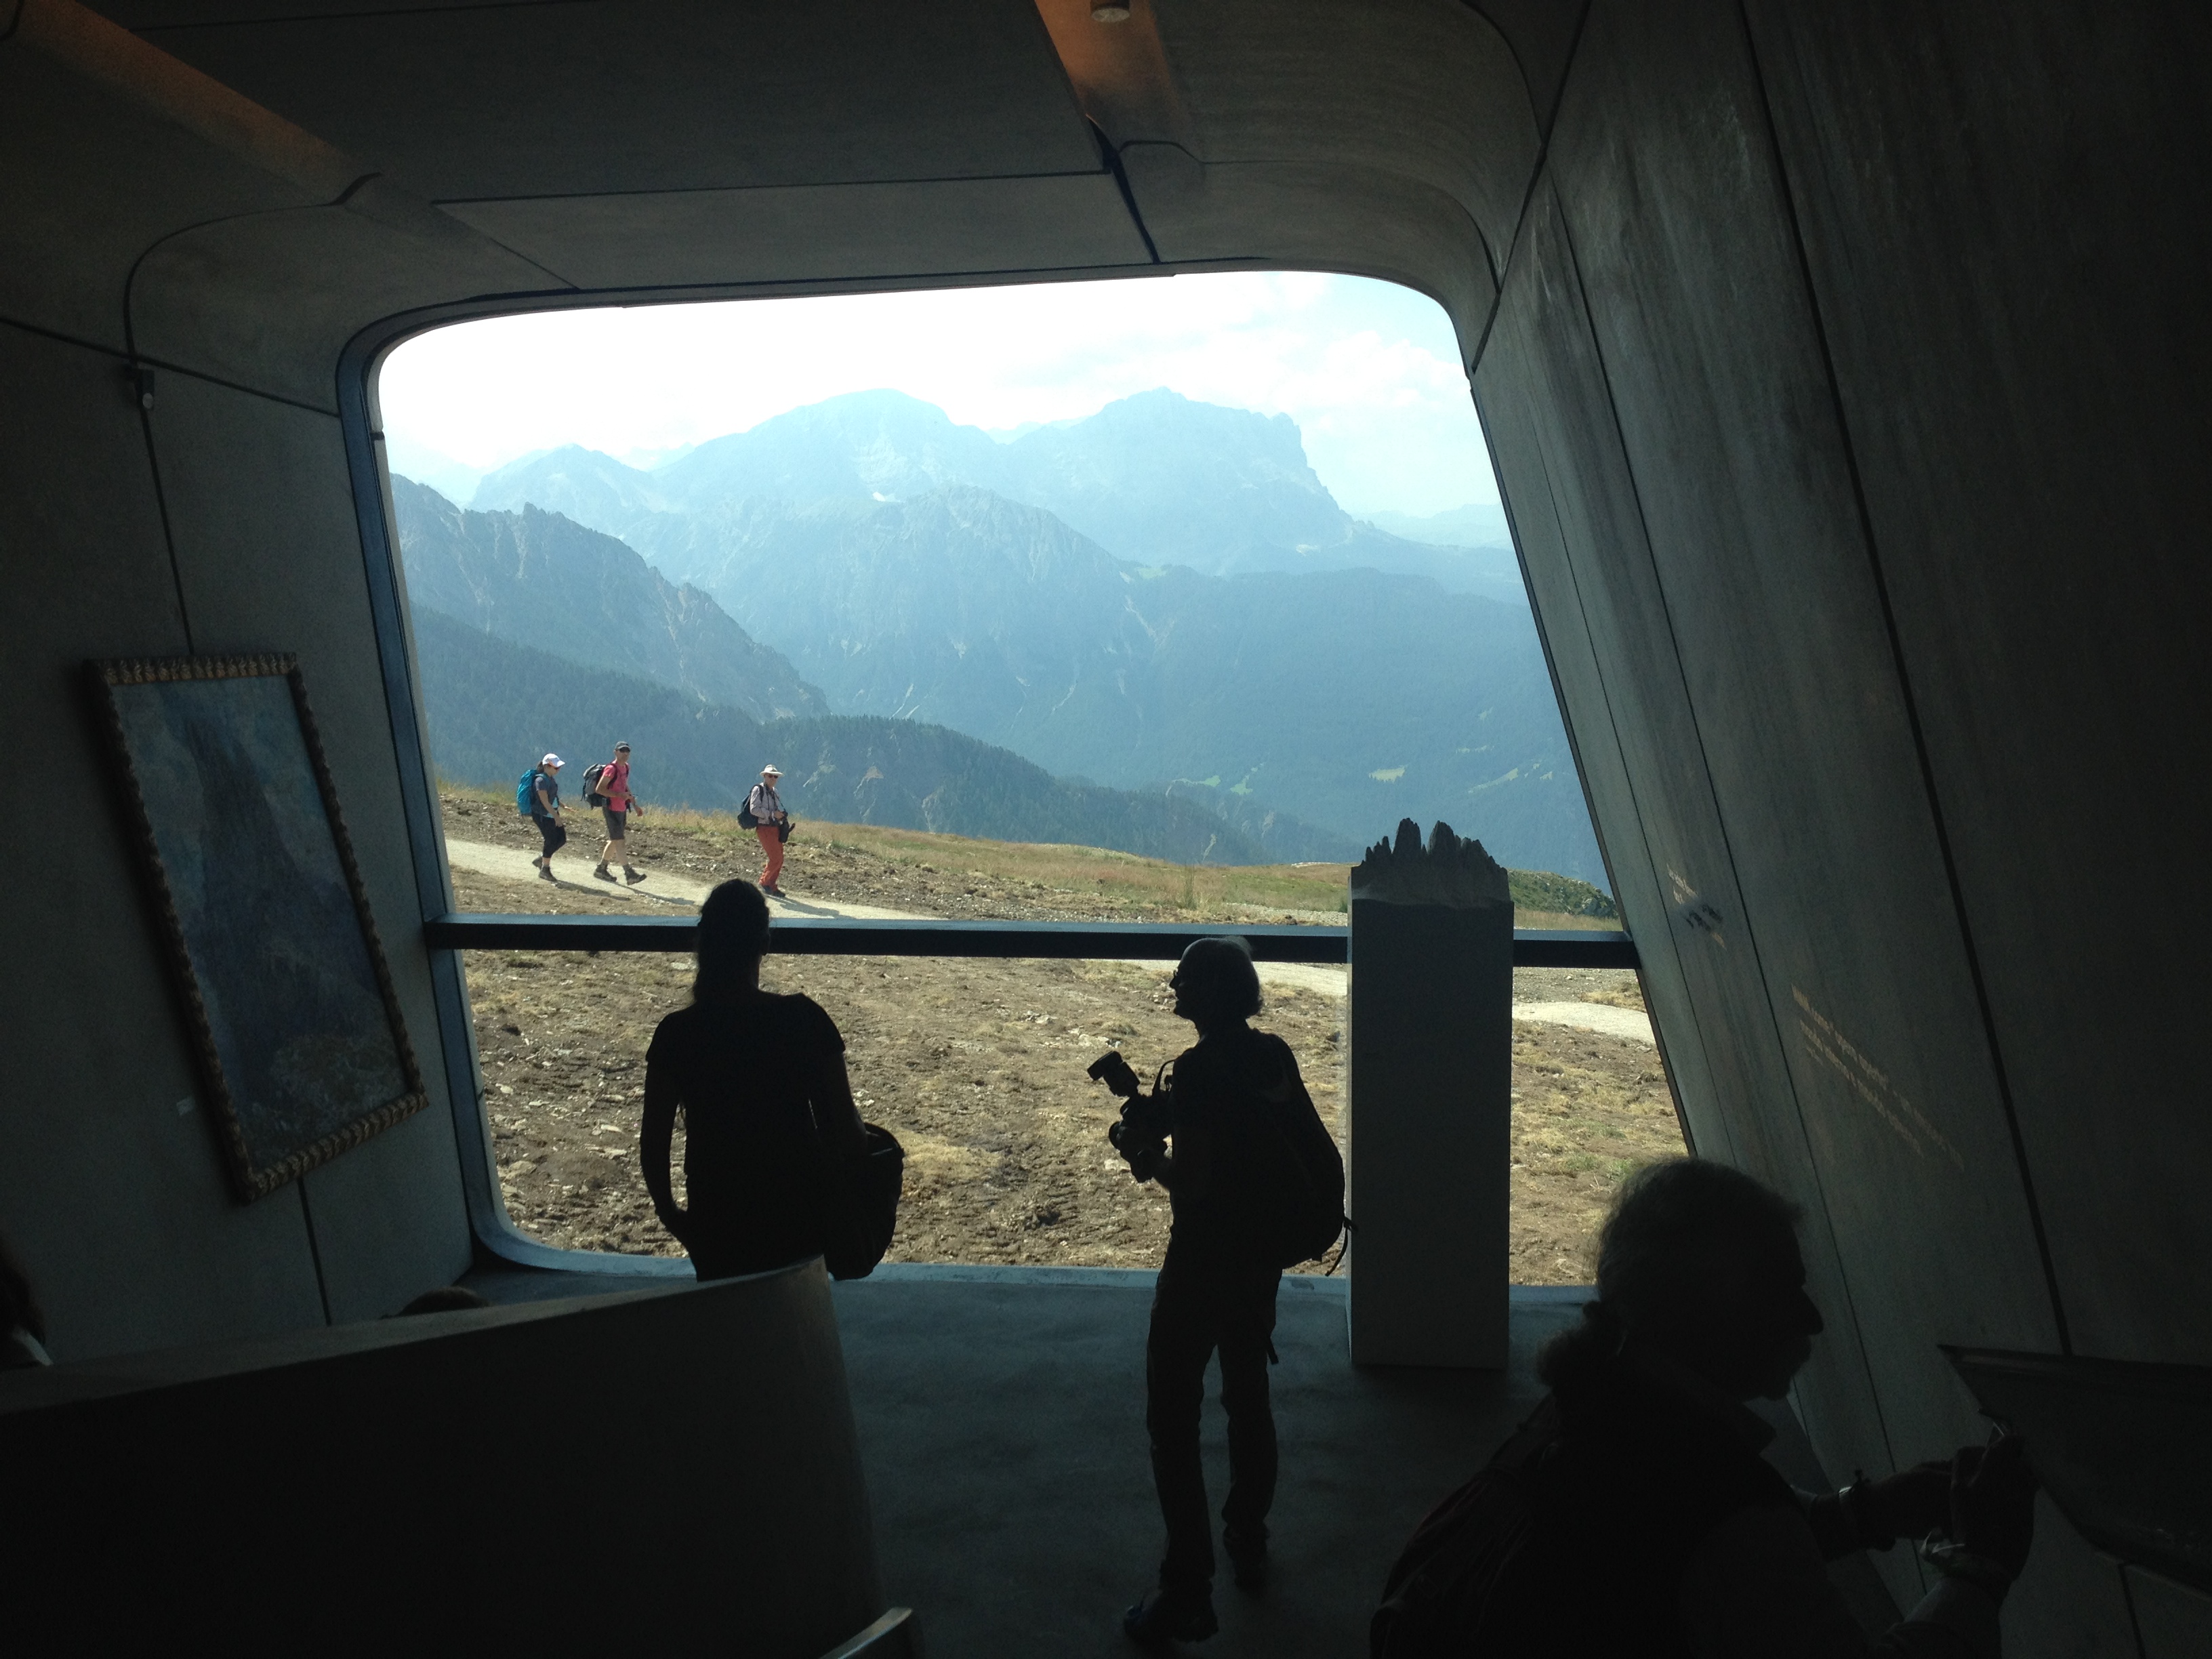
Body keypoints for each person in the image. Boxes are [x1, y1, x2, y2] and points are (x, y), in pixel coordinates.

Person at [1370, 1158, 2041, 1658]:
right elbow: (1719, 1546)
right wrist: (1982, 1568)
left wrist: (1859, 1516)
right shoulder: (1728, 1509)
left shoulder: (1582, 1416)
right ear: (1711, 1314)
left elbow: (1674, 1551)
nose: (1811, 1320)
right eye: (1783, 1291)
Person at [1092, 935, 1316, 1645]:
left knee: (1173, 1417)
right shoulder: (1272, 1054)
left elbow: (1192, 1183)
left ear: (1211, 993)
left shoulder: (1193, 1072)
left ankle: (1186, 1587)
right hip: (1261, 1259)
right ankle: (1246, 1536)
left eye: (1186, 980)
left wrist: (1149, 1159)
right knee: (1248, 1396)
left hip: (1203, 1262)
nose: (1176, 989)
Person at [639, 879, 867, 1279]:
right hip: (797, 1215)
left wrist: (674, 1217)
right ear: (765, 944)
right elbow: (847, 1132)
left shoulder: (676, 1034)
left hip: (717, 1217)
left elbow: (654, 1145)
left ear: (702, 942)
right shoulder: (805, 1020)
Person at [592, 740, 647, 886]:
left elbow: (624, 786)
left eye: (627, 751)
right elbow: (600, 789)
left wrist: (634, 804)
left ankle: (601, 869)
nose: (626, 753)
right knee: (620, 842)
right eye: (622, 750)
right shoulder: (611, 769)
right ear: (615, 752)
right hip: (611, 809)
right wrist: (618, 796)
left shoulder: (626, 768)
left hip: (621, 809)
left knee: (615, 840)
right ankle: (629, 873)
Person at [745, 763, 791, 897]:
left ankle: (771, 885)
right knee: (775, 857)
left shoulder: (775, 793)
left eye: (775, 777)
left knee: (779, 858)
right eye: (770, 776)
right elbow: (754, 810)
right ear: (765, 776)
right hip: (764, 828)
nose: (773, 779)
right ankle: (765, 882)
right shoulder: (758, 790)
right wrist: (772, 814)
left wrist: (780, 815)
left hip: (775, 828)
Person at [528, 753, 566, 882]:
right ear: (547, 766)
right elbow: (544, 801)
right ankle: (545, 869)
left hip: (551, 814)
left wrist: (563, 806)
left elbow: (553, 797)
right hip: (543, 816)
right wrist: (556, 817)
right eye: (556, 767)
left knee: (561, 839)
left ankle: (543, 859)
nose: (558, 770)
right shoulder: (540, 781)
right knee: (550, 840)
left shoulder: (550, 779)